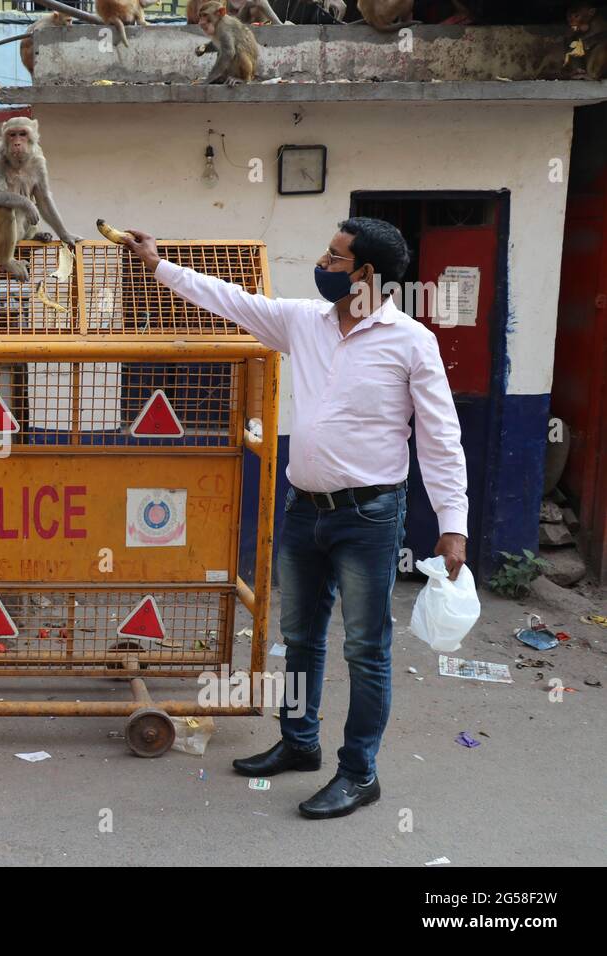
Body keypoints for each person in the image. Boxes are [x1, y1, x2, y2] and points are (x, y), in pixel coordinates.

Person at [122, 219, 468, 820]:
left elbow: (440, 437)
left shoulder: (411, 342)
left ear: (365, 273)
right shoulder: (304, 321)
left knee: (365, 648)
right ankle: (300, 741)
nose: (321, 262)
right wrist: (157, 265)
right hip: (303, 507)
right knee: (300, 638)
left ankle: (359, 774)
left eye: (334, 257)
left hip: (369, 516)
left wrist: (453, 523)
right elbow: (231, 299)